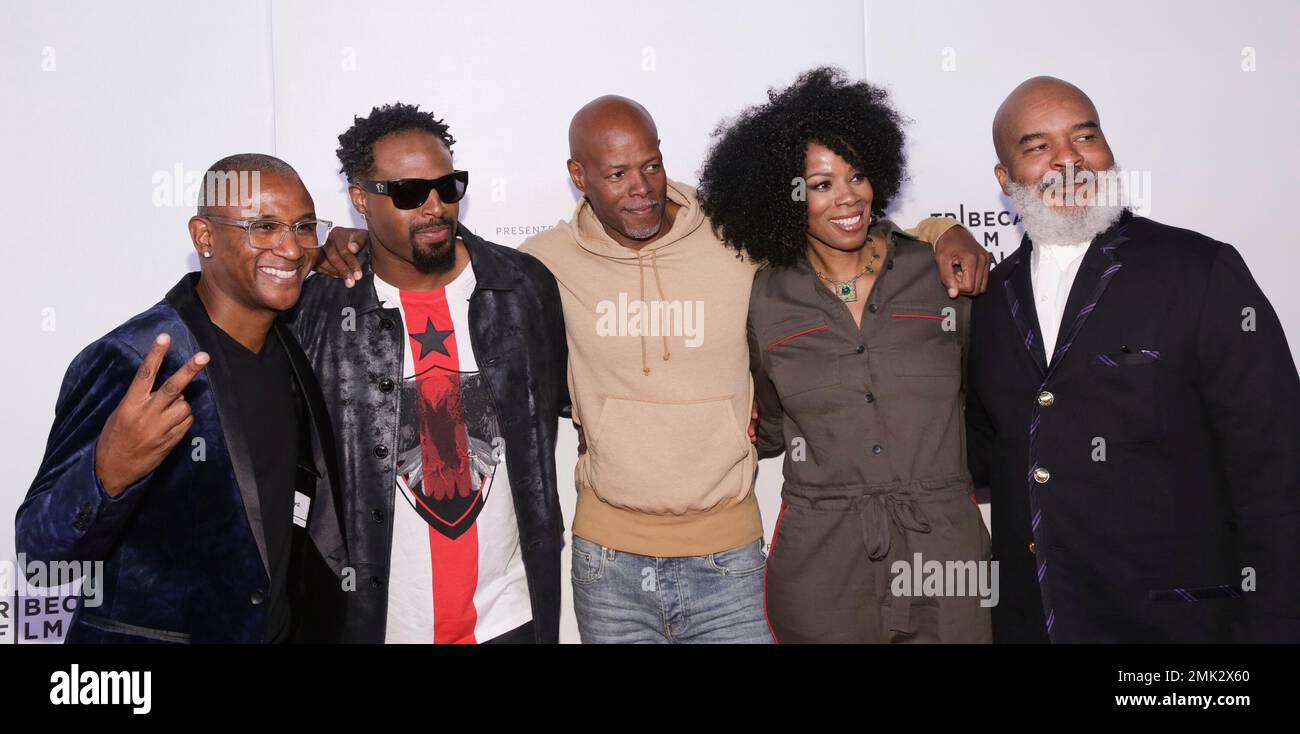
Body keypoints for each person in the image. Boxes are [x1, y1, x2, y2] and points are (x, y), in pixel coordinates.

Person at [316, 95, 989, 644]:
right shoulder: (539, 266)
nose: (641, 188)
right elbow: (427, 248)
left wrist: (938, 230)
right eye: (616, 174)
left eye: (652, 165)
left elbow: (840, 228)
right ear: (578, 176)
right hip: (608, 561)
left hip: (732, 555)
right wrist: (337, 242)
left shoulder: (737, 238)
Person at [966, 76, 1300, 643]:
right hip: (1033, 624)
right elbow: (983, 454)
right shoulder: (990, 299)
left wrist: (1277, 626)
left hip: (1178, 632)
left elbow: (1277, 464)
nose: (1068, 160)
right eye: (1038, 146)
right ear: (1005, 179)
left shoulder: (1198, 269)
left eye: (1085, 136)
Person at [697, 67, 992, 643]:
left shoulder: (937, 273)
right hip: (823, 557)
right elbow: (771, 425)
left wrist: (946, 228)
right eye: (821, 184)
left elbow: (990, 394)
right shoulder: (766, 297)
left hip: (944, 544)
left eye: (857, 176)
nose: (848, 198)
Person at [16, 154, 346, 643]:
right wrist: (106, 474)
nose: (292, 248)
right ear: (204, 236)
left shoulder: (294, 346)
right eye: (264, 226)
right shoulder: (133, 360)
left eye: (304, 226)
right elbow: (39, 557)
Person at [288, 102, 567, 643]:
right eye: (410, 193)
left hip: (508, 616)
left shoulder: (522, 288)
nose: (435, 206)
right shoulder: (319, 307)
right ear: (360, 199)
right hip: (378, 622)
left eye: (447, 186)